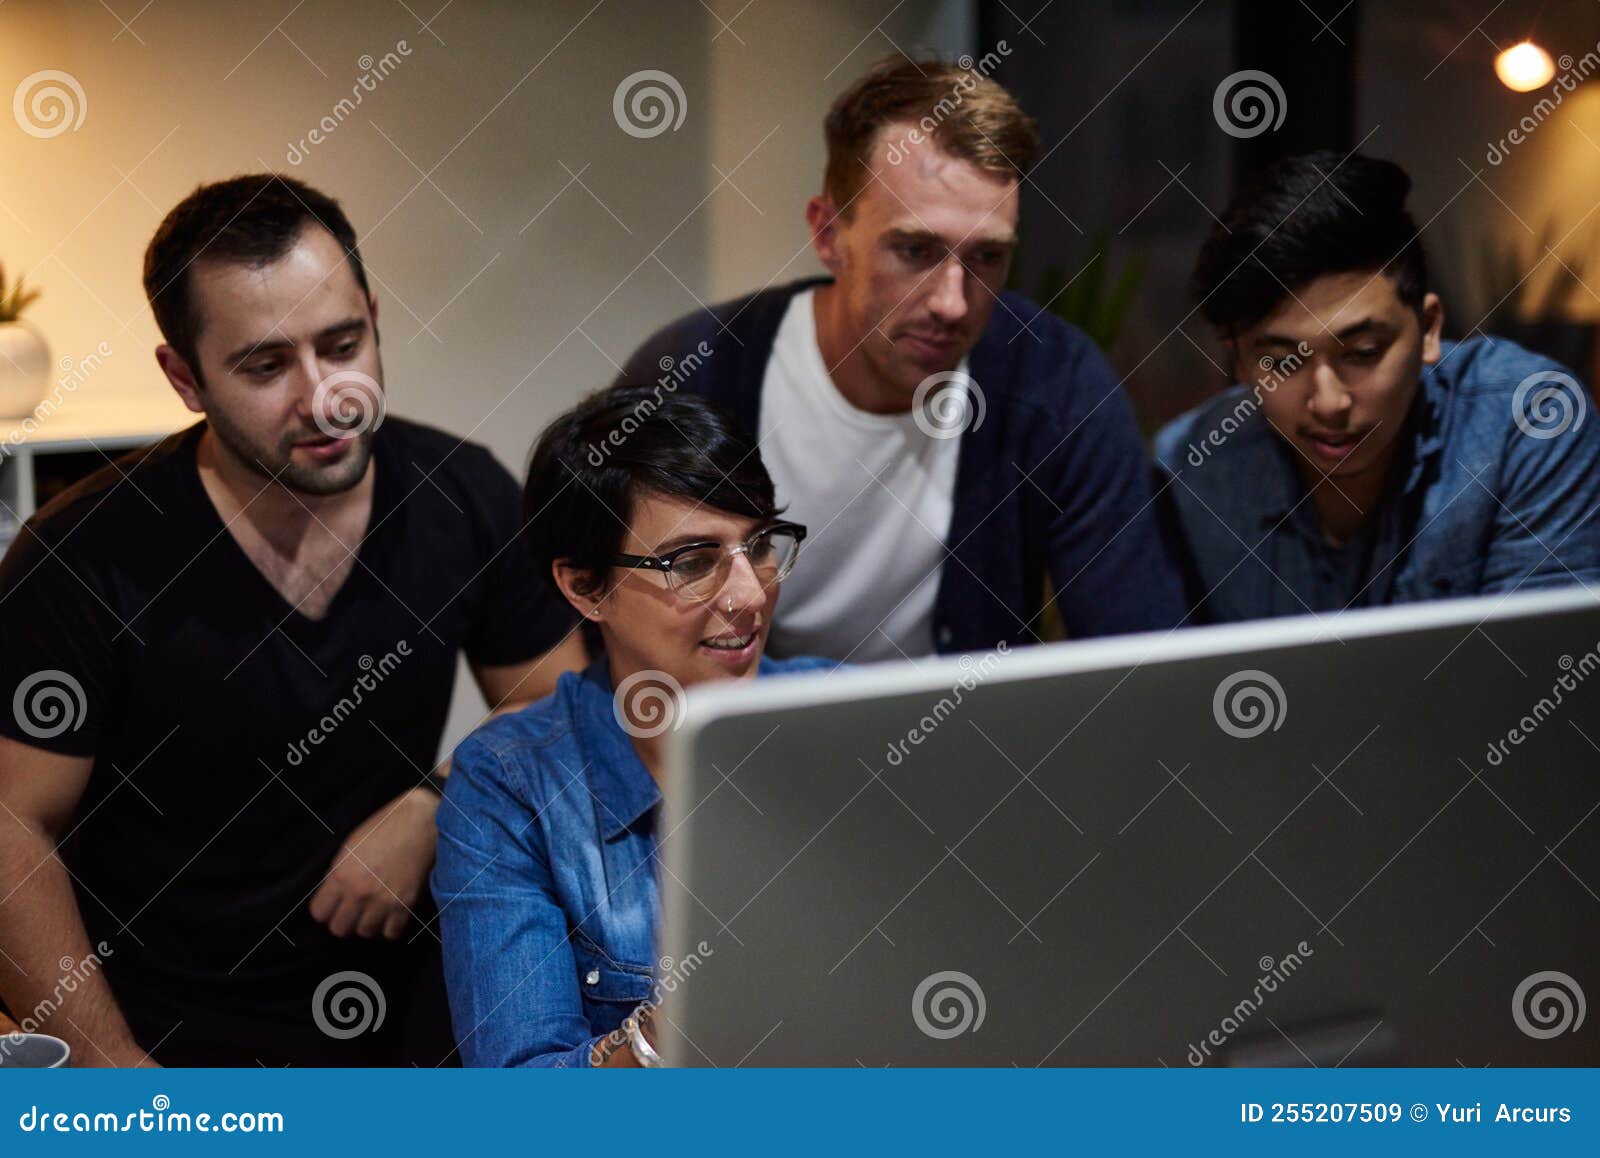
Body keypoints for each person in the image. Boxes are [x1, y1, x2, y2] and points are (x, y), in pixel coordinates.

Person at [0, 174, 584, 1066]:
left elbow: (560, 697)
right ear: (184, 377)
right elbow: (13, 826)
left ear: (375, 319)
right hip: (171, 1031)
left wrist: (438, 798)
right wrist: (112, 1073)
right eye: (266, 367)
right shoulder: (79, 554)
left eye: (342, 345)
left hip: (417, 1016)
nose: (326, 400)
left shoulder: (459, 494)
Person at [619, 56, 1185, 662]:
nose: (951, 303)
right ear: (829, 234)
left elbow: (1138, 659)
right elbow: (611, 635)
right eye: (915, 250)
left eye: (988, 258)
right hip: (742, 742)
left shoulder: (1054, 382)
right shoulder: (694, 371)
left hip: (961, 743)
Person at [432, 385, 832, 1067]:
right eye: (693, 562)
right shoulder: (511, 785)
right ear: (587, 587)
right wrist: (675, 1023)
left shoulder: (841, 713)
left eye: (760, 545)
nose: (747, 594)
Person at [1154, 151, 1600, 622]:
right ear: (1237, 358)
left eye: (1363, 352)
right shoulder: (1192, 469)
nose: (1329, 402)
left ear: (1428, 328)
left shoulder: (1529, 420)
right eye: (1283, 363)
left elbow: (1537, 672)